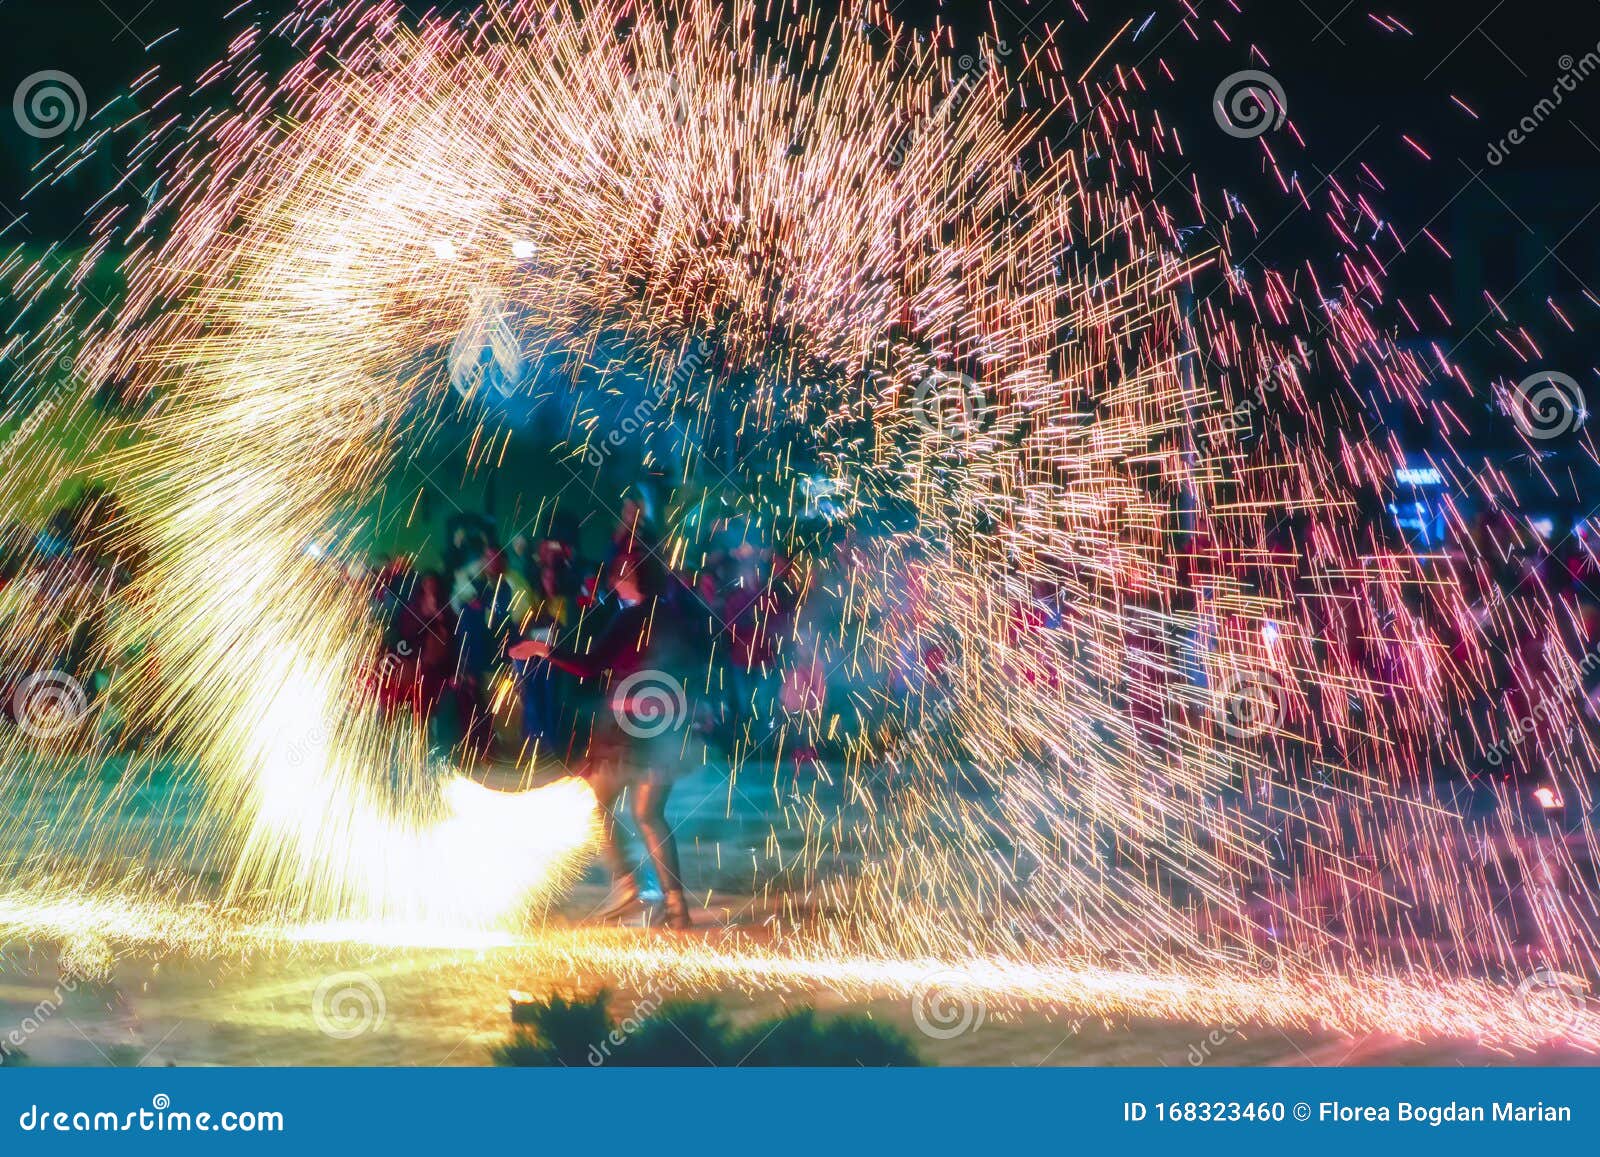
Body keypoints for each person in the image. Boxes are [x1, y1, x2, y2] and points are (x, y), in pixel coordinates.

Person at [510, 549, 693, 929]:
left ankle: (629, 887)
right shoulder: (672, 614)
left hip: (631, 734)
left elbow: (591, 664)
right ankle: (675, 906)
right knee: (648, 814)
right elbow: (691, 664)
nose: (612, 581)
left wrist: (542, 649)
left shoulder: (631, 619)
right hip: (663, 729)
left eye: (620, 574)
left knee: (595, 802)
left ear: (634, 579)